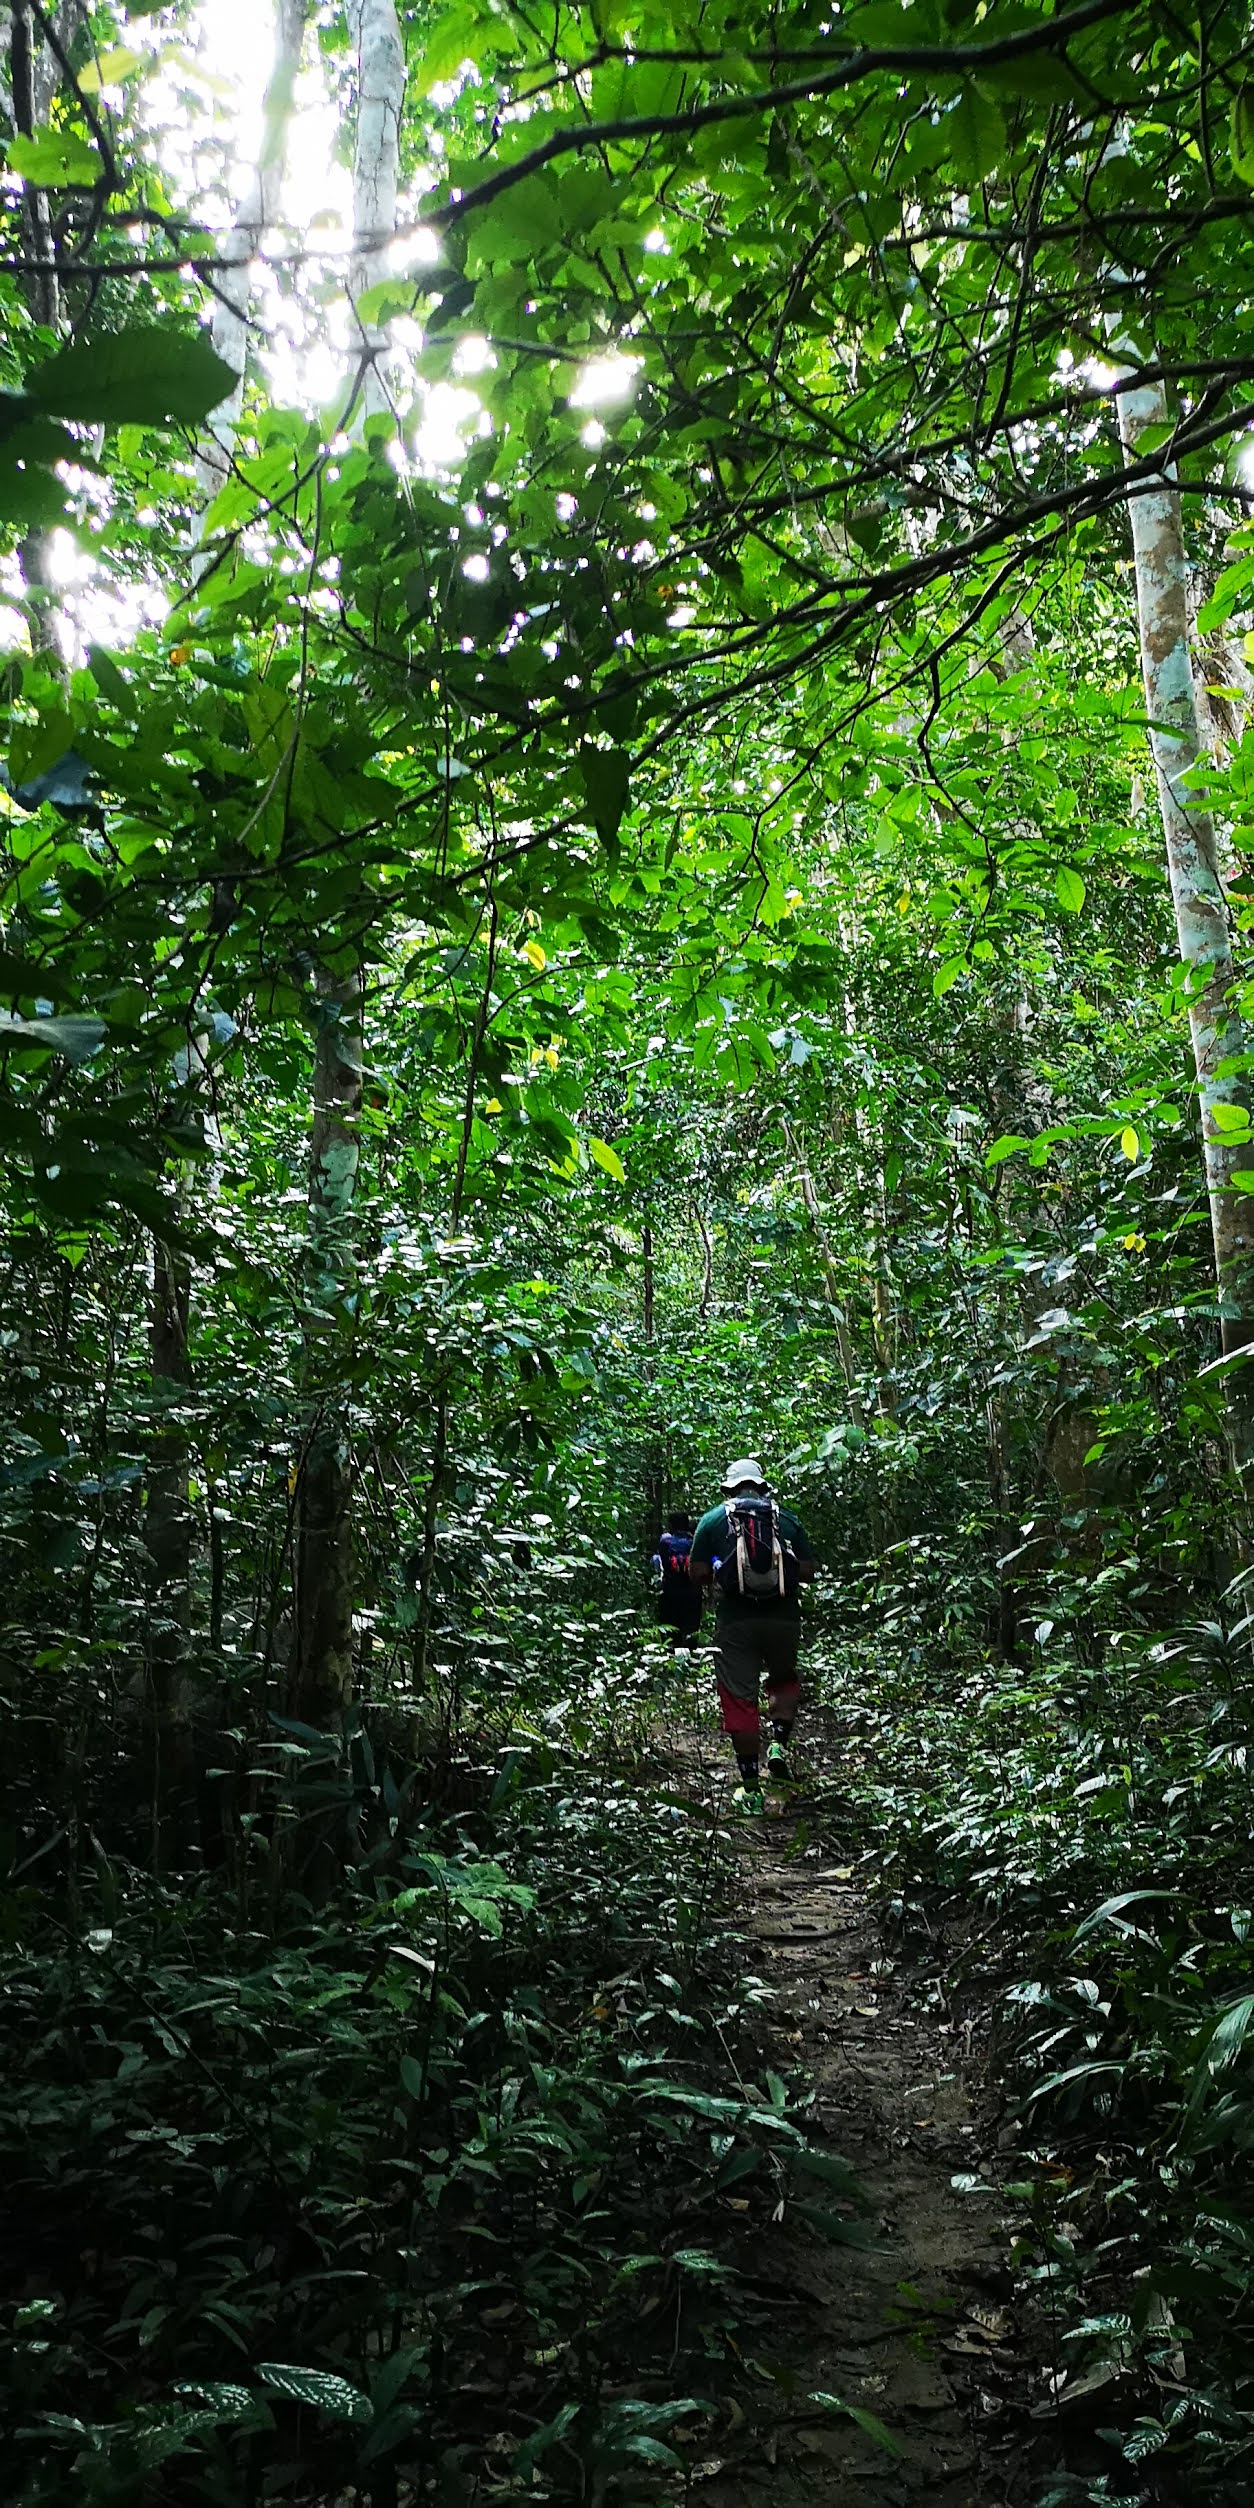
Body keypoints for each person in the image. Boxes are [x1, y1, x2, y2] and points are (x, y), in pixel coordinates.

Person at [687, 1459, 817, 1816]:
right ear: (761, 1487)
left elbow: (695, 1572)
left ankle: (750, 1788)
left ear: (729, 1488)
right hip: (784, 1619)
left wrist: (720, 1570)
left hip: (735, 1623)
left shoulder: (713, 1520)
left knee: (739, 1698)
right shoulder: (786, 1520)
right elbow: (807, 1571)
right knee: (783, 1680)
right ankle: (777, 1746)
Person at [651, 1510, 703, 1649]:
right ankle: (691, 1658)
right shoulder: (694, 1542)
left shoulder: (665, 1541)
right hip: (692, 1592)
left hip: (670, 1590)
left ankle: (670, 1656)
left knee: (670, 1627)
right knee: (691, 1627)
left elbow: (658, 1561)